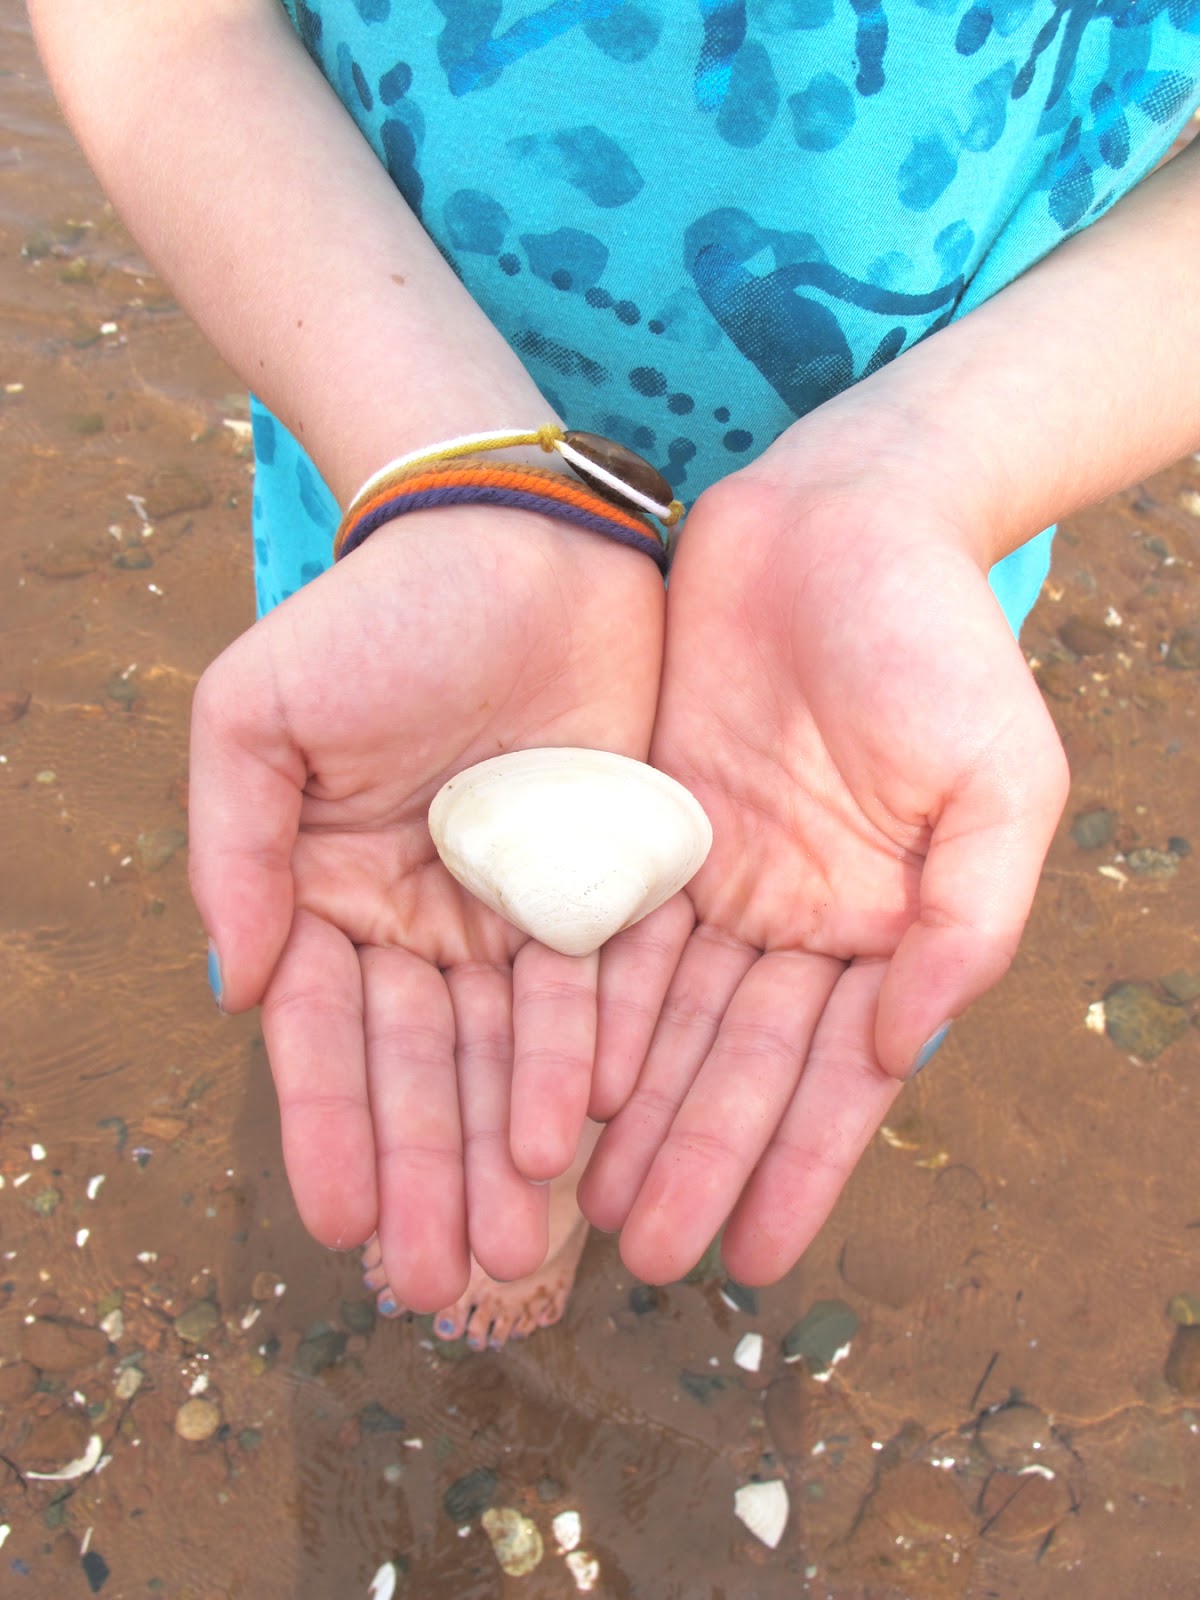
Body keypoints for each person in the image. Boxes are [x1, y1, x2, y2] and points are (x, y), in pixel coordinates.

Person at [29, 1, 1200, 1351]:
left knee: (750, 956)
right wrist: (454, 462)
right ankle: (542, 1158)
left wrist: (924, 474)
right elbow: (165, 28)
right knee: (442, 938)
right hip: (403, 456)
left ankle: (573, 1156)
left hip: (884, 582)